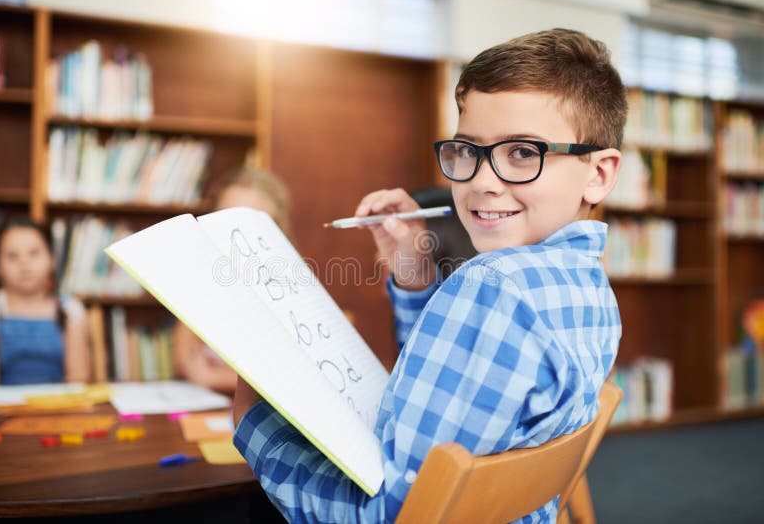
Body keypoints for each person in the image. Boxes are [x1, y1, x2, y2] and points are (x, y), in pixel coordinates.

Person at [232, 28, 625, 523]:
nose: (483, 181)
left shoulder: (492, 288)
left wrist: (255, 425)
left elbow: (389, 516)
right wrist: (416, 275)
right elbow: (458, 391)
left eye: (523, 152)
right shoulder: (586, 289)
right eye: (468, 151)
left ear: (600, 173)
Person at [173, 167, 293, 395]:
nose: (236, 233)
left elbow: (286, 377)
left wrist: (212, 377)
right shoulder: (203, 279)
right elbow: (184, 360)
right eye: (226, 218)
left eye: (249, 221)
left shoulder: (289, 290)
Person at [0, 219, 90, 389]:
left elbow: (78, 378)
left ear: (52, 260)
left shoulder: (70, 310)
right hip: (3, 411)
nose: (24, 263)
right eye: (12, 256)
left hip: (60, 408)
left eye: (34, 253)